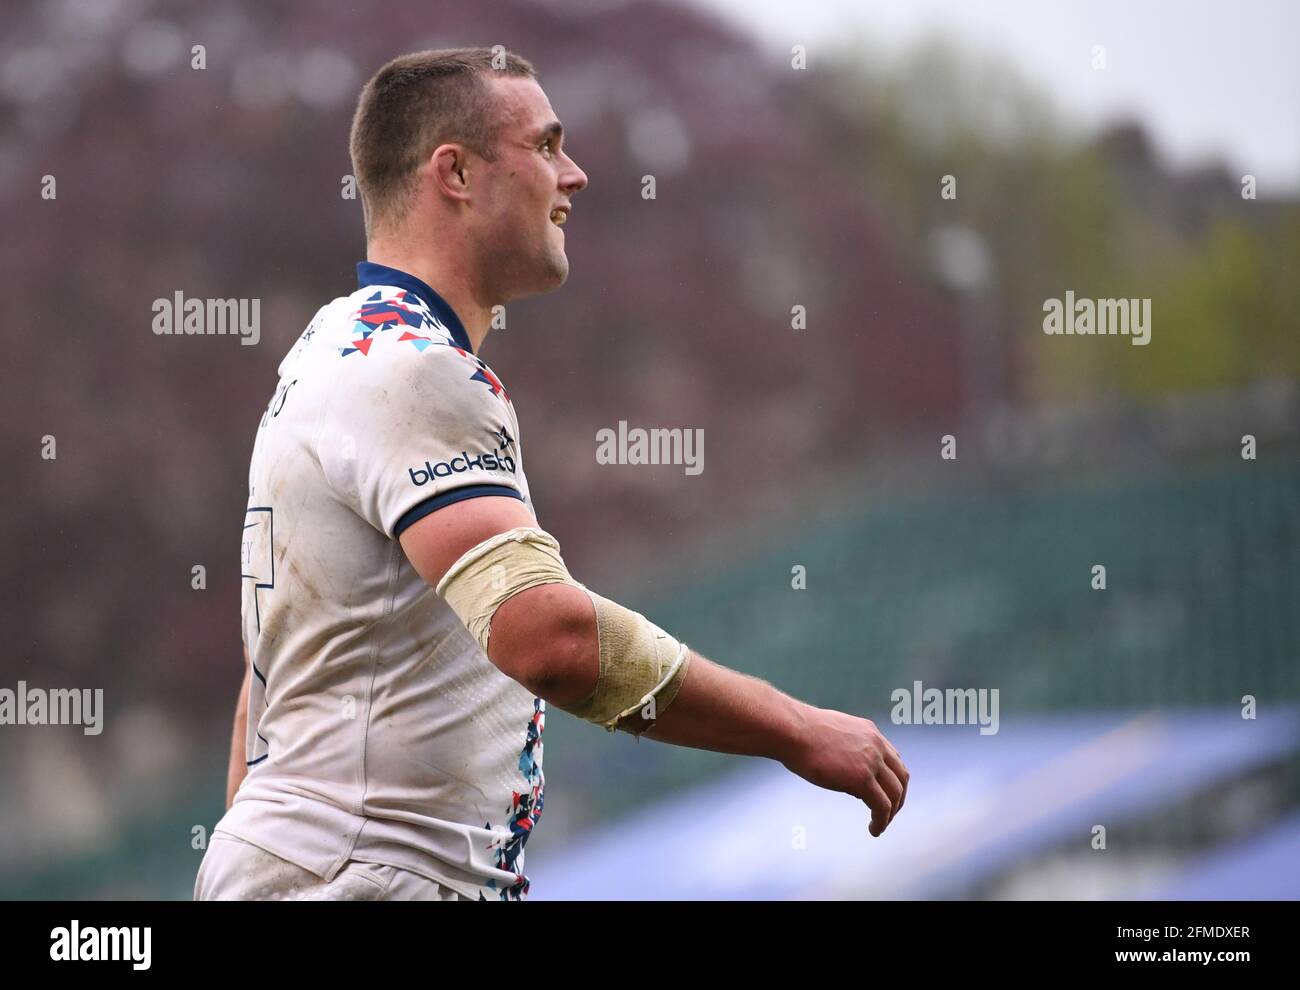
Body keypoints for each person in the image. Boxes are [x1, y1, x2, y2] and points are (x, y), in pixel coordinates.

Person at [194, 47, 908, 902]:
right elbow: (548, 640)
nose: (575, 175)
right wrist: (795, 729)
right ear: (453, 173)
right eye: (545, 145)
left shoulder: (330, 349)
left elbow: (263, 680)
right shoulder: (411, 370)